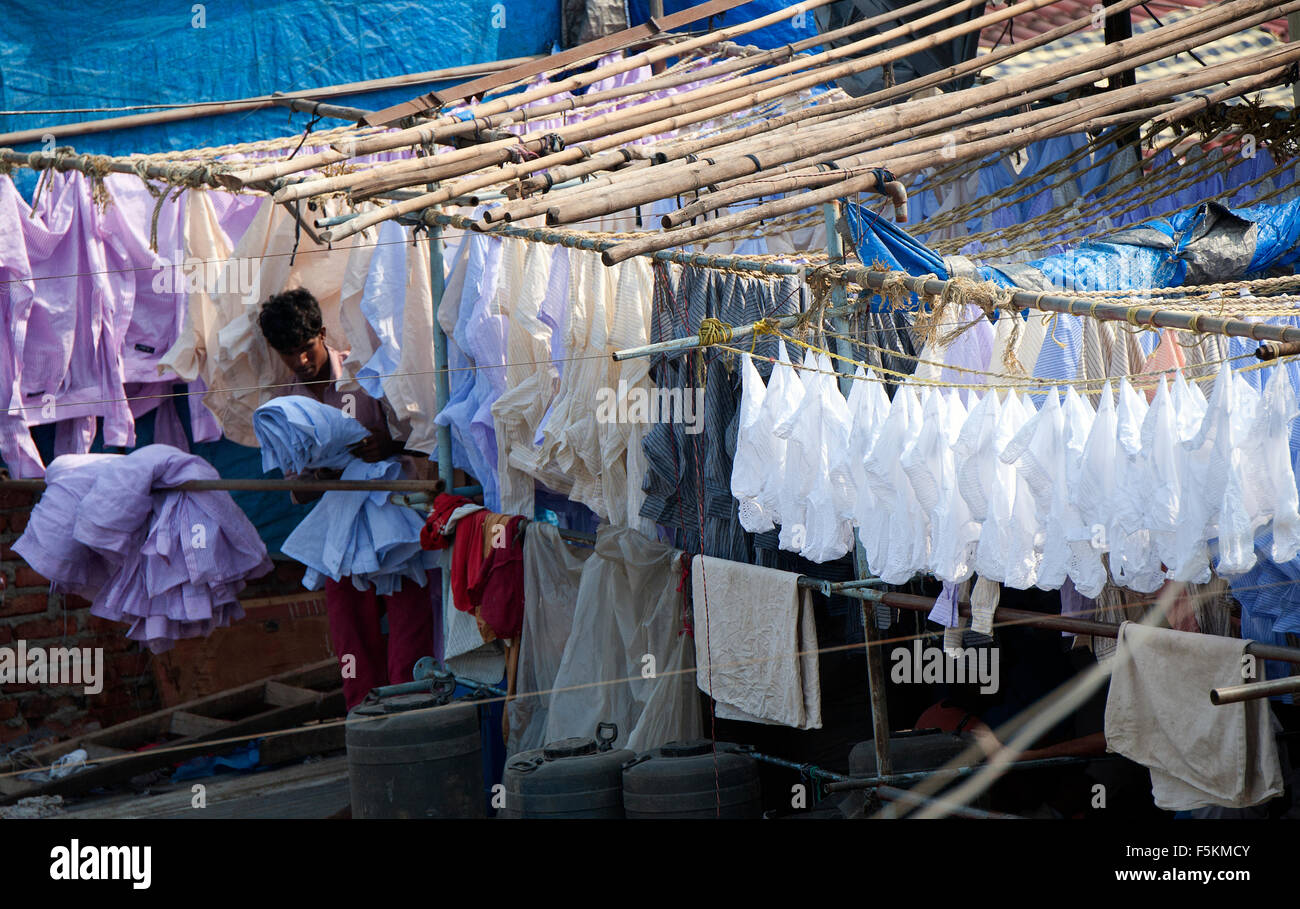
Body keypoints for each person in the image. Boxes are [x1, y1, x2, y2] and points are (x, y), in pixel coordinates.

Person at [257, 288, 435, 709]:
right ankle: (364, 714)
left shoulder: (365, 374)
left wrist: (388, 446)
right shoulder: (285, 405)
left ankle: (412, 710)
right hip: (340, 527)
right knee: (349, 631)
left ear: (322, 334)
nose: (300, 362)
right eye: (288, 354)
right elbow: (297, 489)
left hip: (394, 522)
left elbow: (424, 437)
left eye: (306, 349)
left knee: (409, 619)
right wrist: (321, 472)